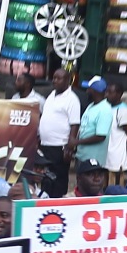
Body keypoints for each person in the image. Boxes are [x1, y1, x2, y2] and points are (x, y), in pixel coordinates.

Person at [35, 67, 80, 198]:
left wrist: (69, 147)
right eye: (54, 77)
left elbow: (75, 124)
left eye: (58, 78)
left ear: (67, 80)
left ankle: (57, 203)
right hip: (45, 145)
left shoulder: (72, 99)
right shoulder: (51, 95)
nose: (54, 81)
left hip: (59, 147)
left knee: (58, 179)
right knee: (46, 178)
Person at [103, 80, 127, 184]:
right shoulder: (107, 107)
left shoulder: (123, 111)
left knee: (115, 186)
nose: (107, 95)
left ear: (119, 94)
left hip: (117, 157)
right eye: (106, 92)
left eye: (110, 92)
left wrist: (125, 149)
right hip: (107, 155)